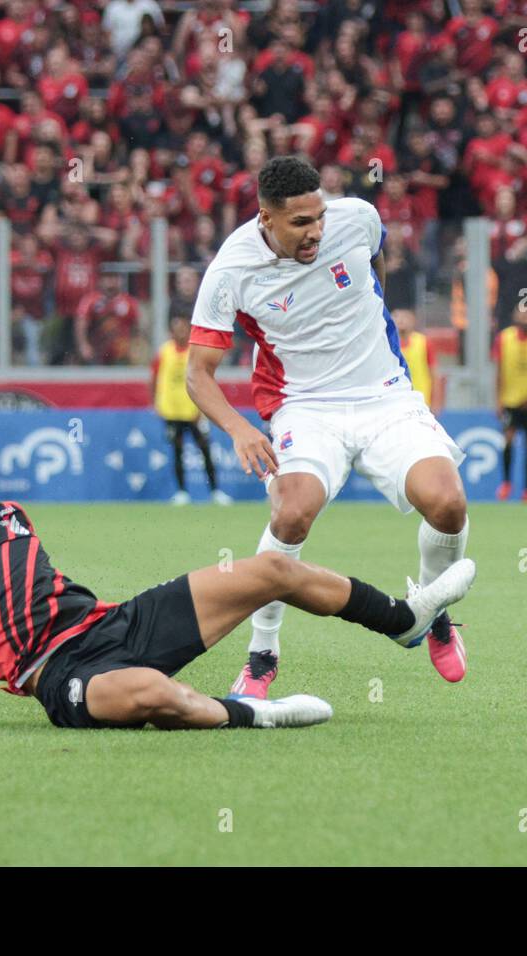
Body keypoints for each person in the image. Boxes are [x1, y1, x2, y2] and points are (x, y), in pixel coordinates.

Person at [0, 423, 475, 732]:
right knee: (157, 694)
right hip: (60, 676)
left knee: (273, 568)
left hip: (119, 622)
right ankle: (258, 715)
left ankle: (404, 621)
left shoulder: (9, 515)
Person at [185, 157, 470, 699]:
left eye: (319, 216)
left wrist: (370, 312)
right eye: (300, 223)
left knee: (448, 502)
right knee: (291, 514)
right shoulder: (230, 270)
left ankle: (433, 610)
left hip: (385, 395)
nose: (316, 231)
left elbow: (375, 260)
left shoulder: (356, 217)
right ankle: (262, 655)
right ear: (266, 218)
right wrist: (239, 430)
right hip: (304, 405)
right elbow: (197, 374)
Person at [150, 315, 232, 506]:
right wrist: (155, 402)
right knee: (177, 451)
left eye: (184, 329)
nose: (181, 333)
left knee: (205, 449)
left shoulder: (194, 352)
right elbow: (154, 377)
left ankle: (215, 491)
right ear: (171, 332)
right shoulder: (164, 351)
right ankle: (181, 492)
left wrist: (204, 406)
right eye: (177, 329)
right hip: (172, 411)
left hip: (194, 410)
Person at [493, 307, 527, 502]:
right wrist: (498, 399)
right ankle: (506, 483)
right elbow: (499, 370)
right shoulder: (504, 338)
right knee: (508, 440)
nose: (526, 317)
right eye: (522, 314)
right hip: (511, 400)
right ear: (515, 316)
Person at [394, 308, 442, 413]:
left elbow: (434, 373)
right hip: (396, 400)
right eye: (397, 316)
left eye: (405, 317)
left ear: (413, 320)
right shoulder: (388, 344)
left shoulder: (424, 342)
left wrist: (436, 402)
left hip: (421, 400)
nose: (401, 320)